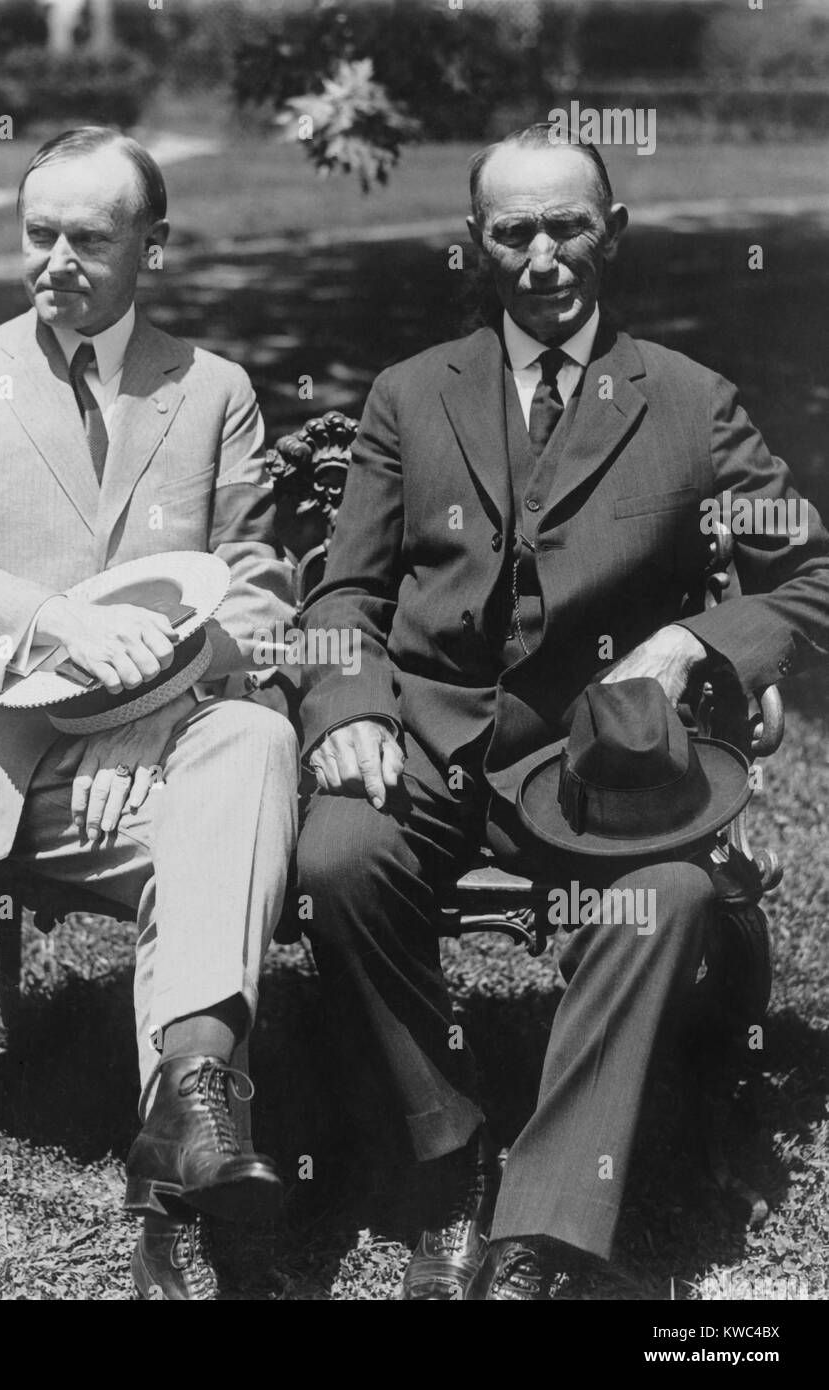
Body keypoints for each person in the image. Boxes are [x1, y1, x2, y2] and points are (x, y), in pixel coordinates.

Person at [295, 123, 829, 1300]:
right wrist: (346, 704)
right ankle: (443, 1156)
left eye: (567, 226)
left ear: (612, 236)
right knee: (335, 855)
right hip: (429, 748)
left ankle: (536, 1231)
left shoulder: (690, 402)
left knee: (664, 895)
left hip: (603, 774)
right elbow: (343, 588)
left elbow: (808, 575)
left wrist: (694, 639)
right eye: (513, 231)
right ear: (474, 247)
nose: (542, 256)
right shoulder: (408, 395)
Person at [0, 127, 299, 1301]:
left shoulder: (211, 389)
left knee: (251, 735)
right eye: (38, 233)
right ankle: (201, 1129)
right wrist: (61, 625)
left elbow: (258, 585)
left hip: (172, 749)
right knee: (235, 794)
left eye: (90, 238)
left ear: (151, 249)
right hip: (19, 768)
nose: (56, 260)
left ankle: (183, 1144)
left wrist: (160, 715)